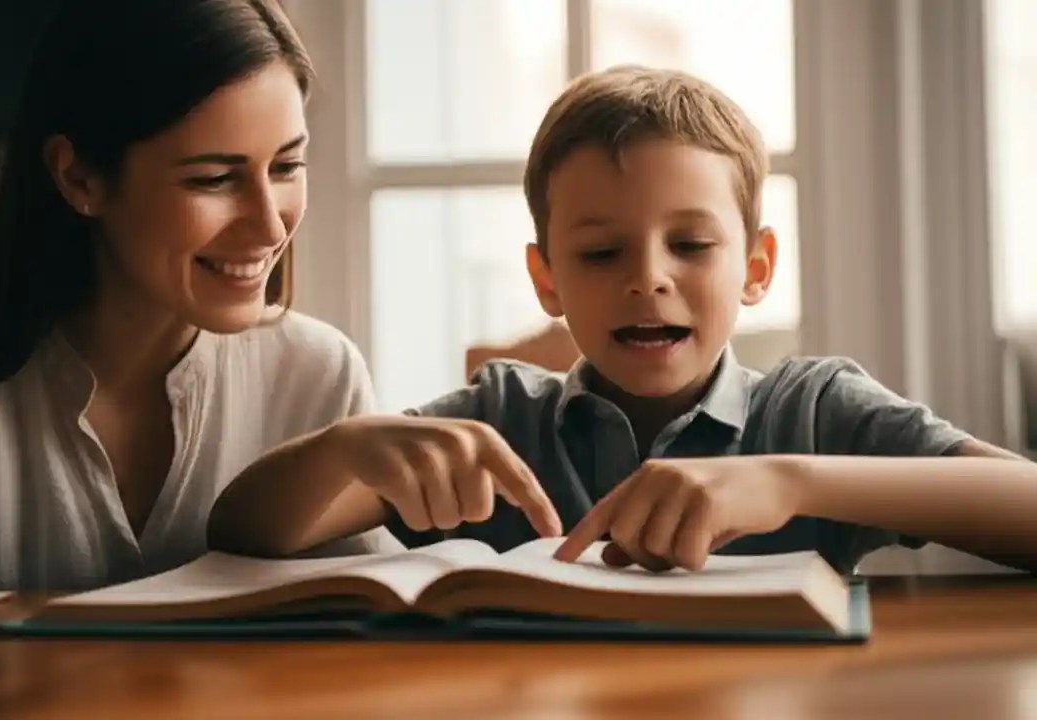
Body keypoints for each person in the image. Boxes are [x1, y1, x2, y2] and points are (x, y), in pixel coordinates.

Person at [208, 65, 1037, 575]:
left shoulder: (815, 414)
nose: (648, 279)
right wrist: (342, 447)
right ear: (547, 279)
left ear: (756, 268)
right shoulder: (500, 420)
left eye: (691, 245)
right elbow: (243, 532)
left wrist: (791, 482)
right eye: (603, 253)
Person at [0, 0, 394, 599]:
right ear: (80, 178)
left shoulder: (320, 375)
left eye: (287, 166)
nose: (271, 227)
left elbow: (358, 630)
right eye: (214, 179)